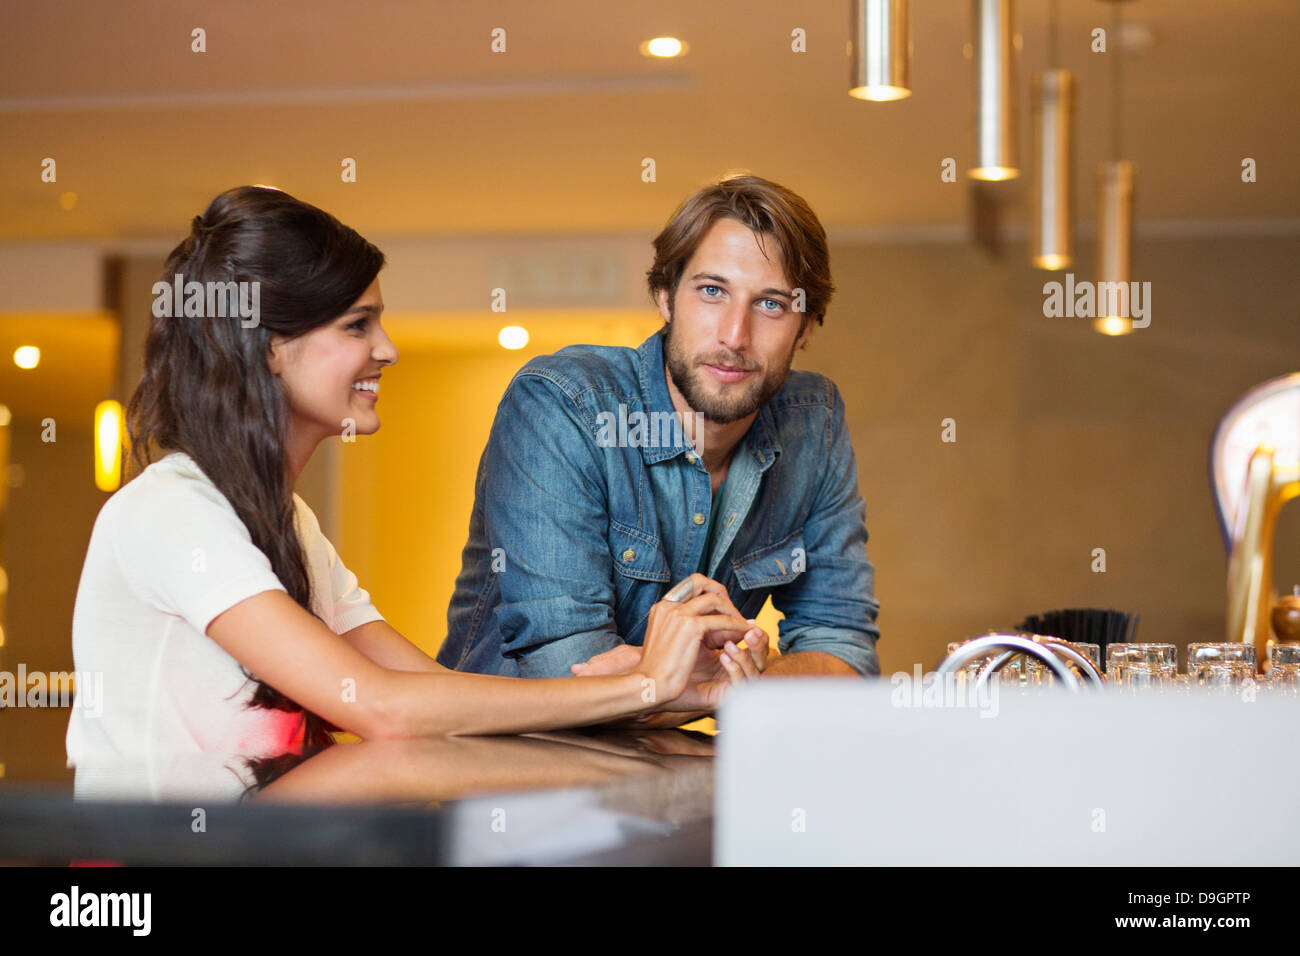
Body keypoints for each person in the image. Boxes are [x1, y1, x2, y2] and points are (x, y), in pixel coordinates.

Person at [66, 186, 764, 770]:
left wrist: (679, 692)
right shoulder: (173, 512)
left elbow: (435, 693)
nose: (386, 349)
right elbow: (380, 707)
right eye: (357, 326)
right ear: (271, 348)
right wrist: (646, 683)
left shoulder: (288, 526)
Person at [439, 174, 880, 723]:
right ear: (665, 296)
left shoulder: (813, 422)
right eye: (712, 291)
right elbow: (565, 673)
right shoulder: (565, 404)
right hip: (510, 780)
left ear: (806, 326)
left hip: (668, 777)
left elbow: (847, 658)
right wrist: (739, 682)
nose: (734, 335)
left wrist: (675, 680)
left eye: (770, 304)